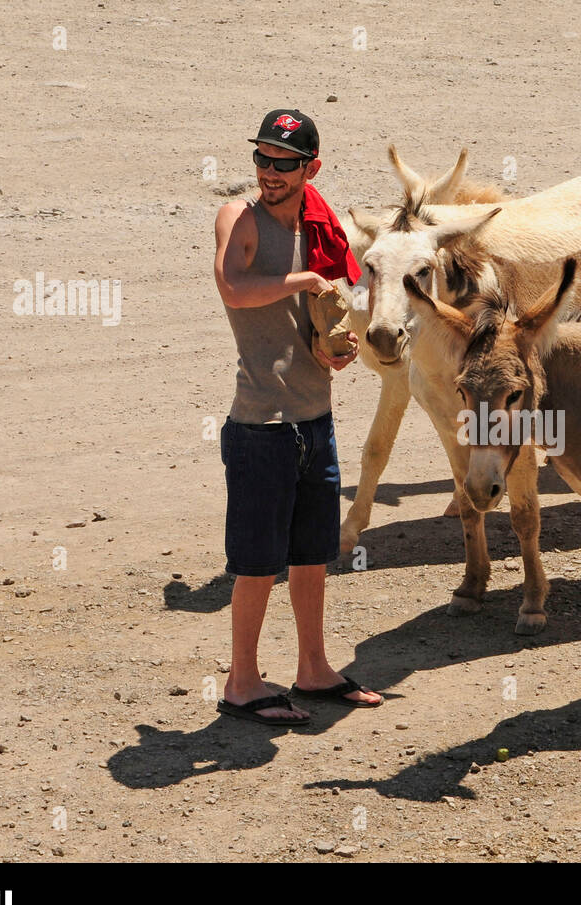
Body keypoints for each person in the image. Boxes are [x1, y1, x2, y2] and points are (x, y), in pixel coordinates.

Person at [212, 109, 383, 726]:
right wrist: (303, 279)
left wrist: (337, 342)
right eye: (261, 159)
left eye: (283, 163)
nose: (268, 172)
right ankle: (240, 683)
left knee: (312, 555)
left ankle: (313, 669)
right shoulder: (240, 218)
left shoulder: (321, 228)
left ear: (311, 167)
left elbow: (331, 309)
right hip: (260, 424)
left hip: (314, 415)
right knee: (257, 563)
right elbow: (234, 288)